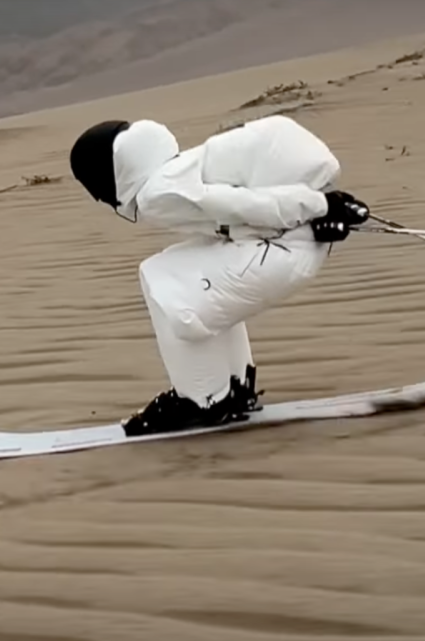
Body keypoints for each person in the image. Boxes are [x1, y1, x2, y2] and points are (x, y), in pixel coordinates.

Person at [68, 114, 370, 436]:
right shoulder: (181, 170)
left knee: (162, 280)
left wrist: (321, 207)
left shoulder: (157, 192)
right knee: (182, 271)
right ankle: (236, 387)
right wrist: (321, 208)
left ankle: (203, 401)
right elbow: (243, 211)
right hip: (291, 240)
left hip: (287, 248)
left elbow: (245, 204)